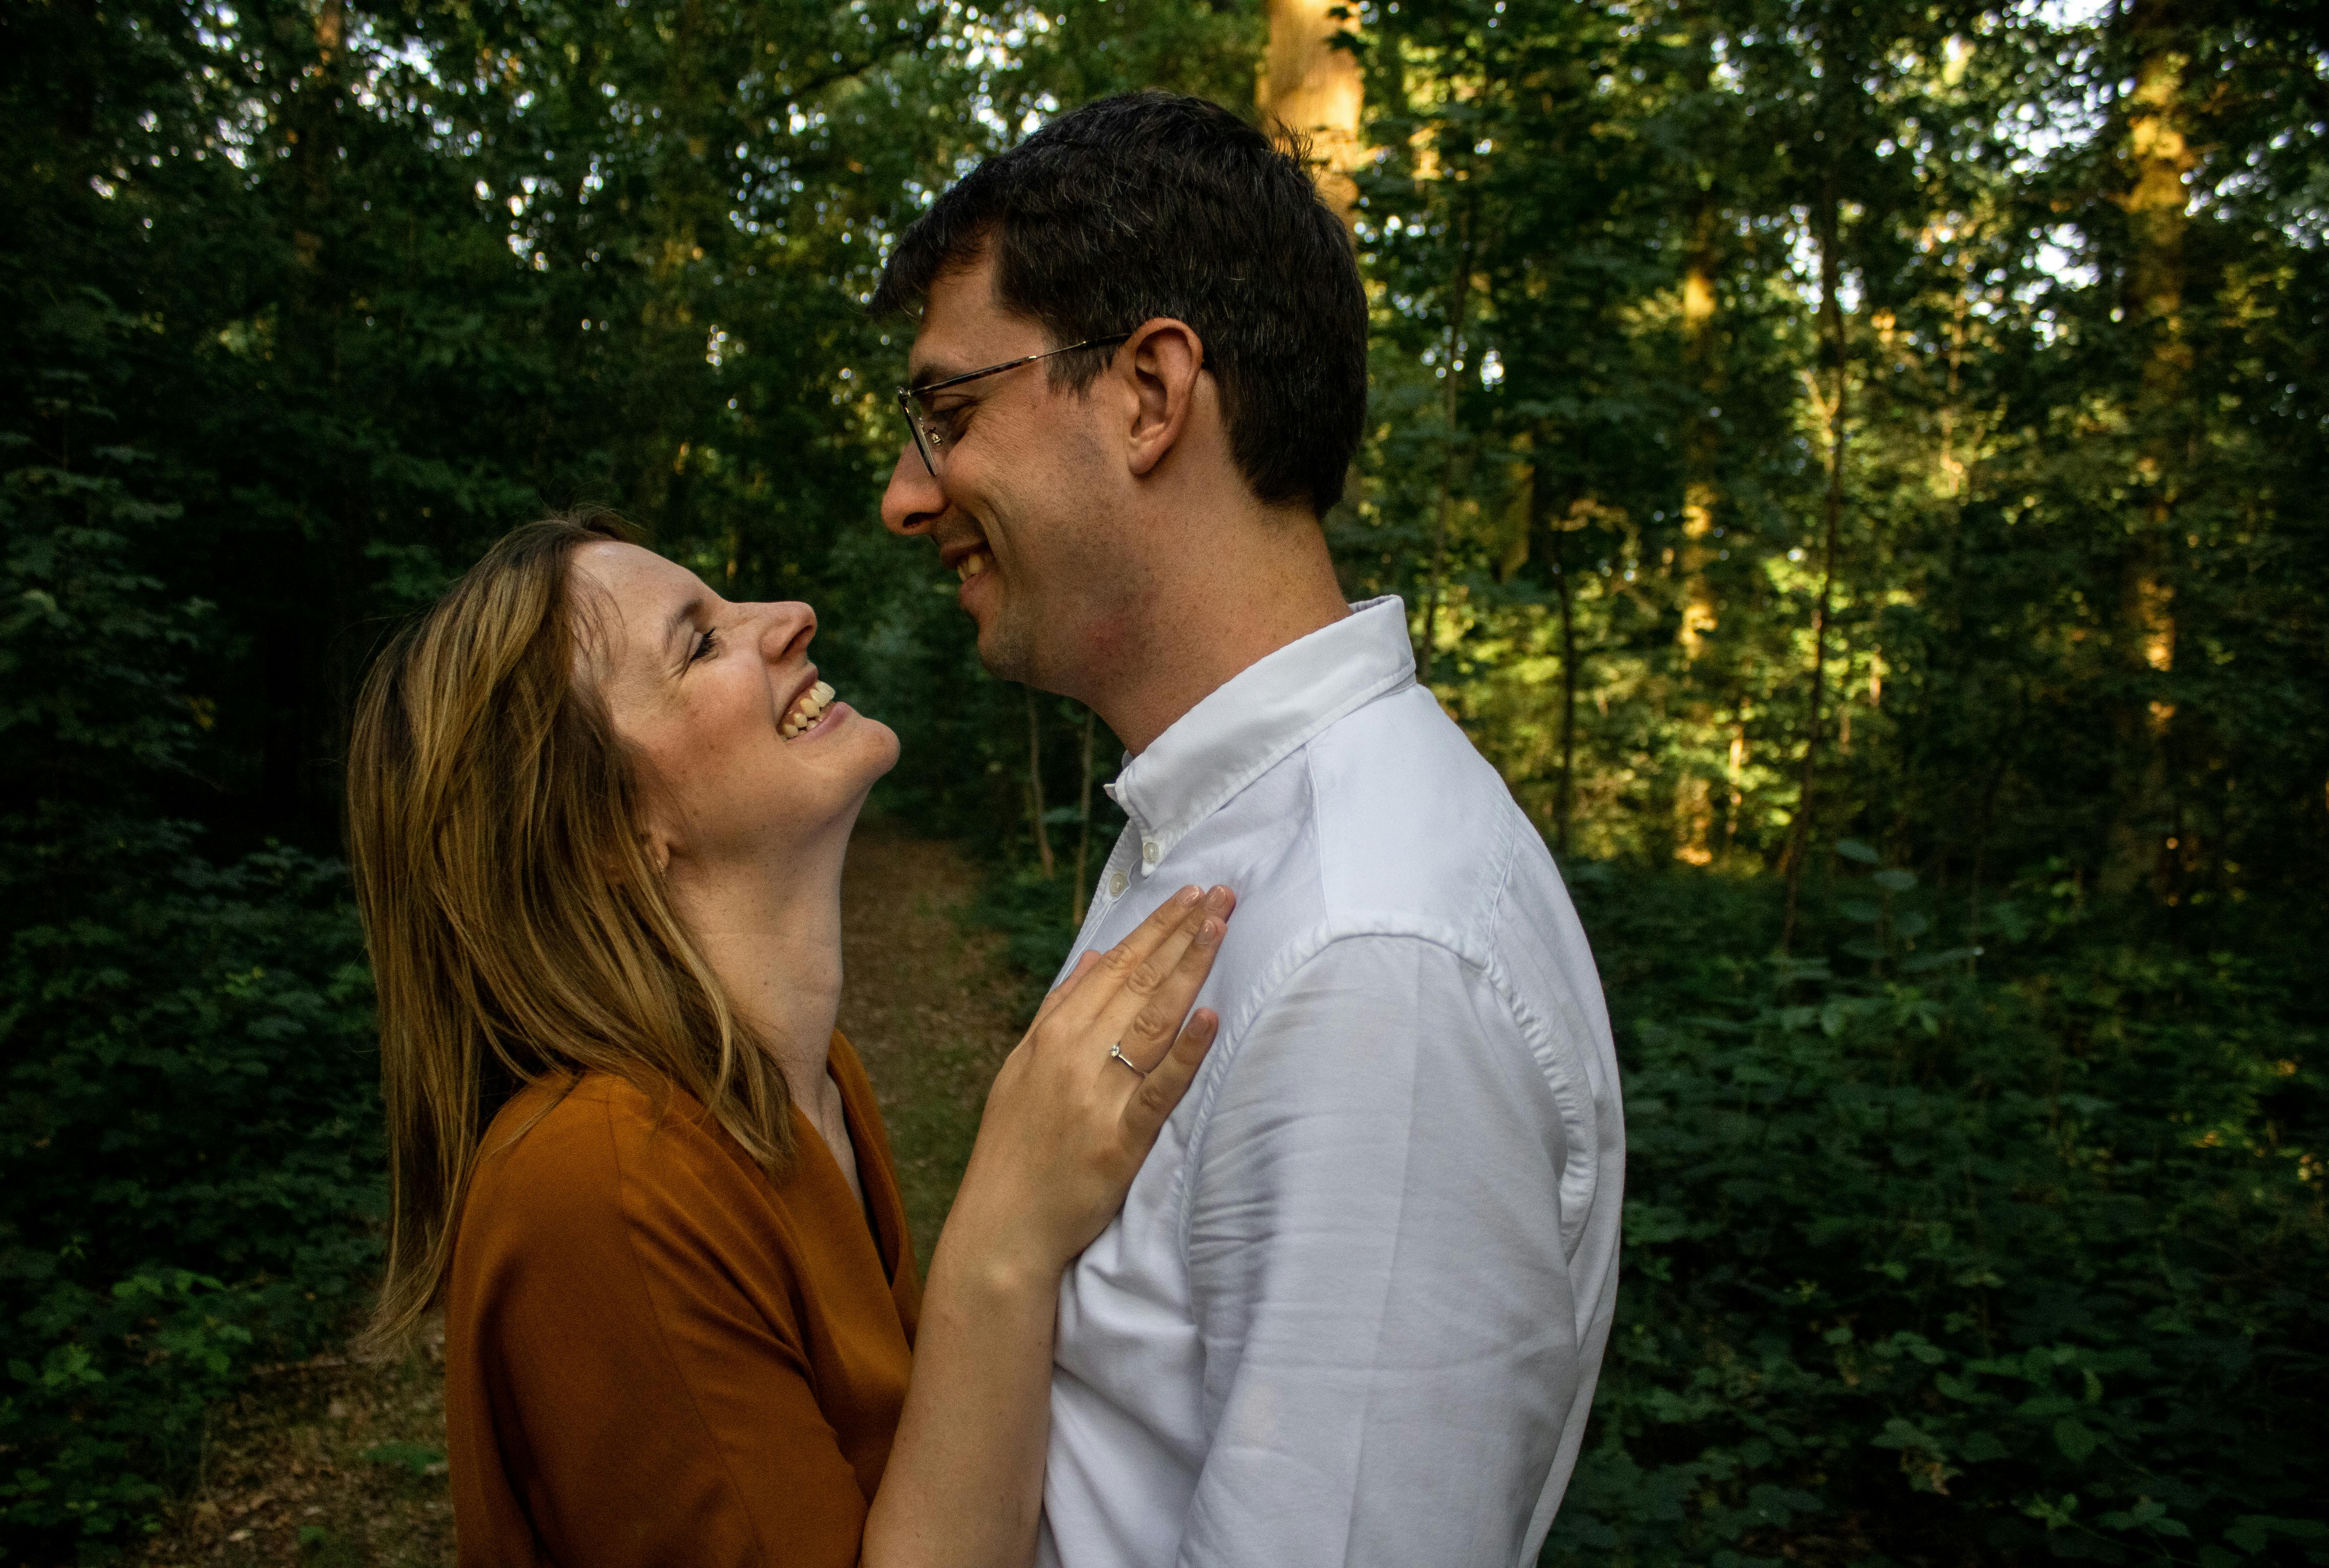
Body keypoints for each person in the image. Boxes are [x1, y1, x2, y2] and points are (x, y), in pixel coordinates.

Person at [873, 91, 1626, 1567]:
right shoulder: (1214, 830)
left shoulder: (1372, 962)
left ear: (1151, 395)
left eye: (950, 414)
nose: (910, 496)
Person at [345, 510, 1237, 1568]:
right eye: (701, 644)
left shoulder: (810, 1082)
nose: (792, 618)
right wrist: (1006, 1238)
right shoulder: (601, 1183)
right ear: (611, 837)